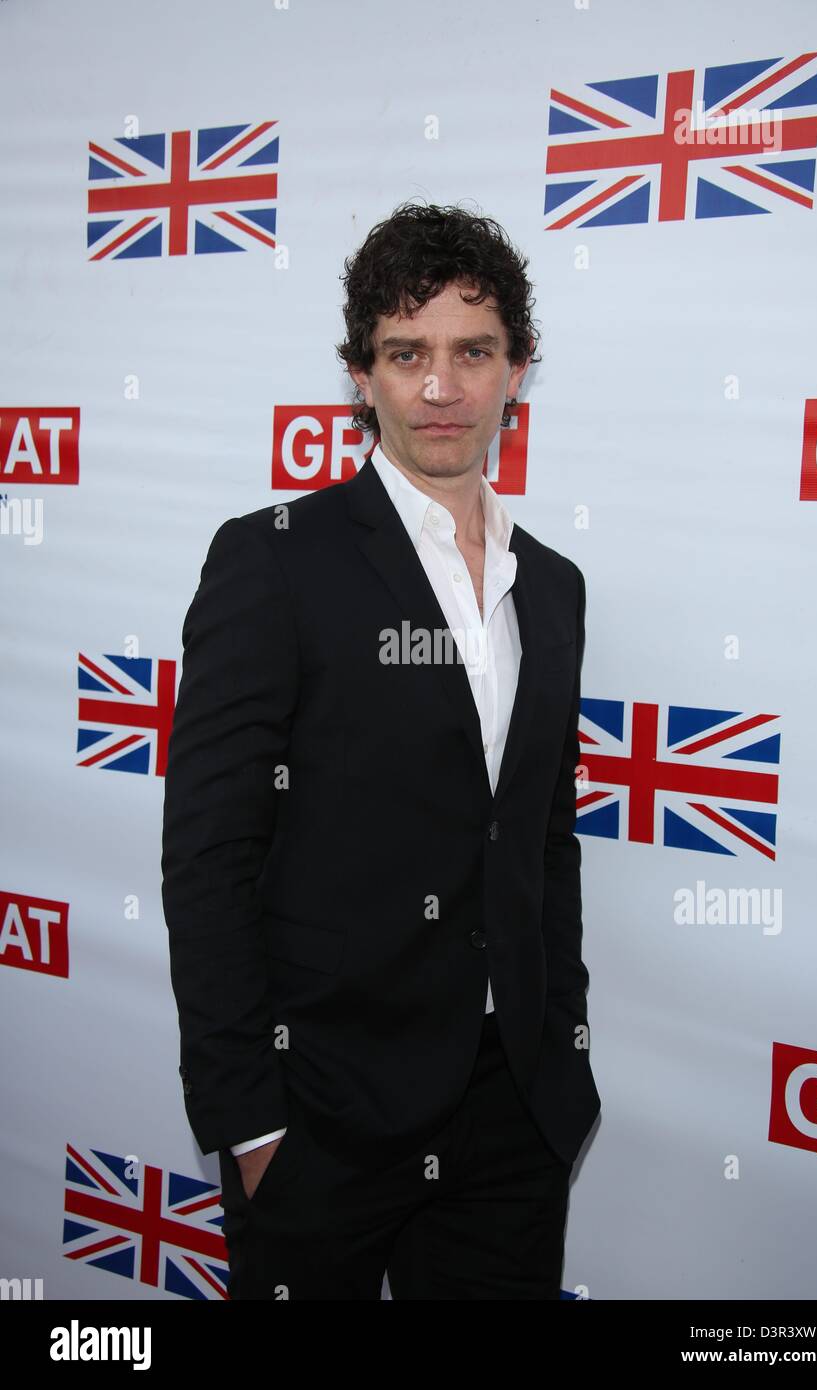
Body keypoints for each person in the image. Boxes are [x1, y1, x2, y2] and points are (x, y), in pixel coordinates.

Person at [161, 201, 601, 1300]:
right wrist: (248, 1119)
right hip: (322, 1111)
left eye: (472, 352)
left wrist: (564, 1051)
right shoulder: (275, 561)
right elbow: (208, 854)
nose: (441, 387)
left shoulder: (550, 586)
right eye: (407, 354)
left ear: (518, 370)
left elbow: (542, 837)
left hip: (512, 1107)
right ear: (361, 374)